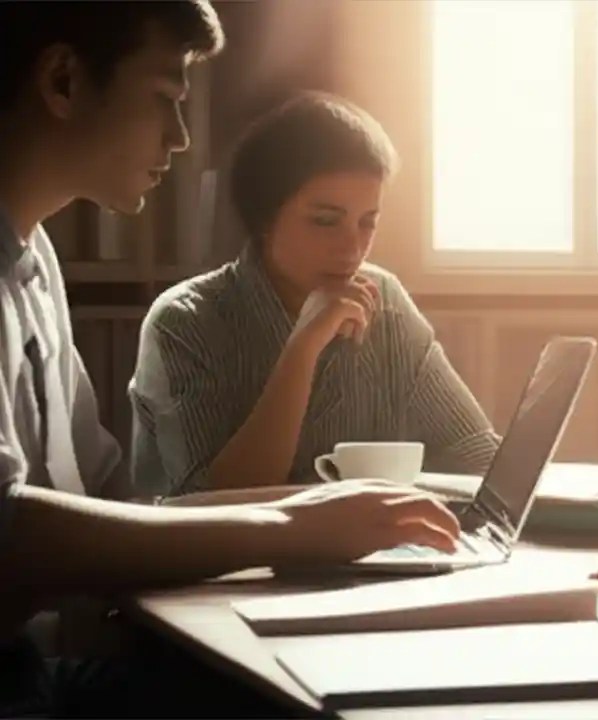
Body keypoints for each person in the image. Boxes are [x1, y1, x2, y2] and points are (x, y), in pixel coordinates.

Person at [0, 3, 461, 714]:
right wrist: (293, 526)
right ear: (63, 80)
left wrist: (316, 507)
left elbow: (109, 501)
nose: (181, 137)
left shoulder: (35, 261)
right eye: (164, 98)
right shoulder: (188, 317)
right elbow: (14, 533)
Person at [130, 92, 499, 497]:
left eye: (367, 223)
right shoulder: (185, 323)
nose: (352, 248)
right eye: (326, 221)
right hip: (214, 558)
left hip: (369, 552)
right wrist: (304, 345)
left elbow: (475, 452)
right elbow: (215, 503)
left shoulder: (385, 300)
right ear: (264, 219)